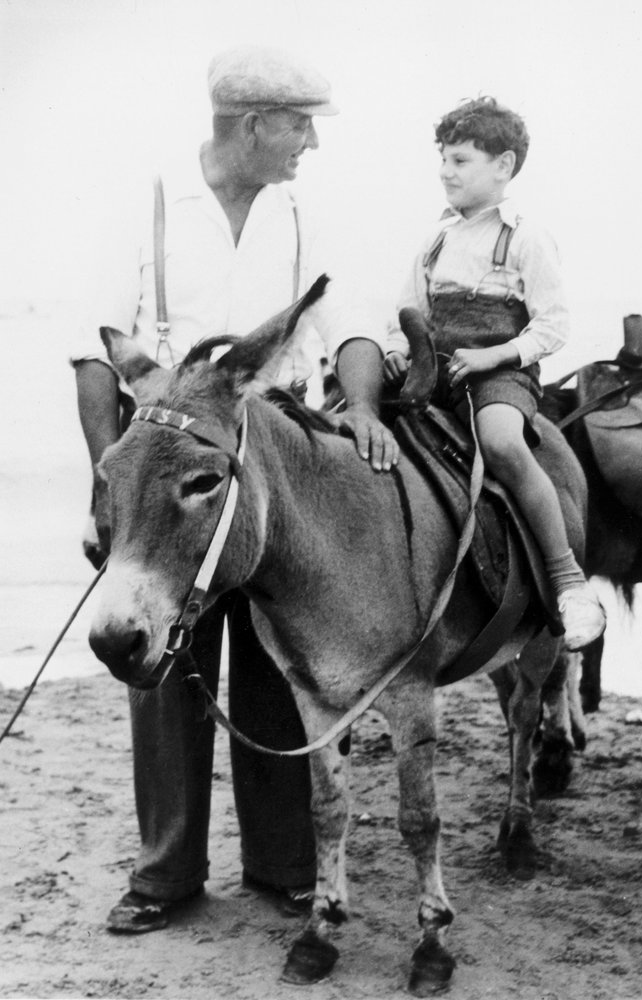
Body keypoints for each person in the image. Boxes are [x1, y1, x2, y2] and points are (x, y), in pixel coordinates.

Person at [71, 43, 398, 933]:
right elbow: (95, 358)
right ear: (253, 125)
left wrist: (362, 406)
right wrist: (111, 491)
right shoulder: (144, 209)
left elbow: (356, 323)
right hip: (168, 477)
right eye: (300, 126)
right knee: (158, 666)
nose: (309, 145)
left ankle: (283, 863)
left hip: (271, 481)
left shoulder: (301, 215)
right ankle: (166, 873)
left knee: (275, 659)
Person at [385, 96, 605, 651]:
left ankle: (567, 581)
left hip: (497, 374)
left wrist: (495, 356)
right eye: (443, 159)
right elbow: (407, 308)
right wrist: (395, 349)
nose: (445, 171)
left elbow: (553, 327)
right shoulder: (435, 238)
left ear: (503, 166)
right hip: (432, 368)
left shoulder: (525, 237)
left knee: (502, 442)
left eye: (460, 160)